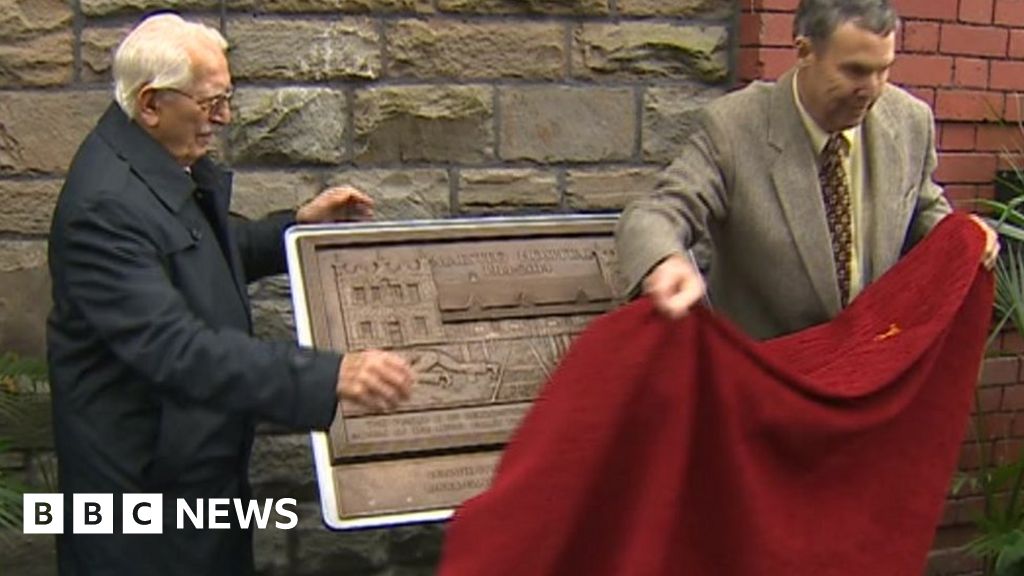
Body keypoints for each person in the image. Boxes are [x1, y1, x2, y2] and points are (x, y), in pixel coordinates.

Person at [46, 13, 414, 575]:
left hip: (193, 484)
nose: (222, 118)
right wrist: (327, 376)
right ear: (151, 104)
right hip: (140, 511)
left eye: (226, 99)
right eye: (209, 103)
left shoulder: (156, 163)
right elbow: (175, 348)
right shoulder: (105, 208)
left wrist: (292, 229)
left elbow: (194, 253)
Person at [615, 0, 999, 340]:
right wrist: (665, 260)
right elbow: (657, 212)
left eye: (884, 70)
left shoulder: (910, 121)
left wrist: (963, 239)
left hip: (871, 373)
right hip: (766, 379)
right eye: (855, 71)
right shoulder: (733, 127)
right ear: (804, 51)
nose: (873, 89)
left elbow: (924, 210)